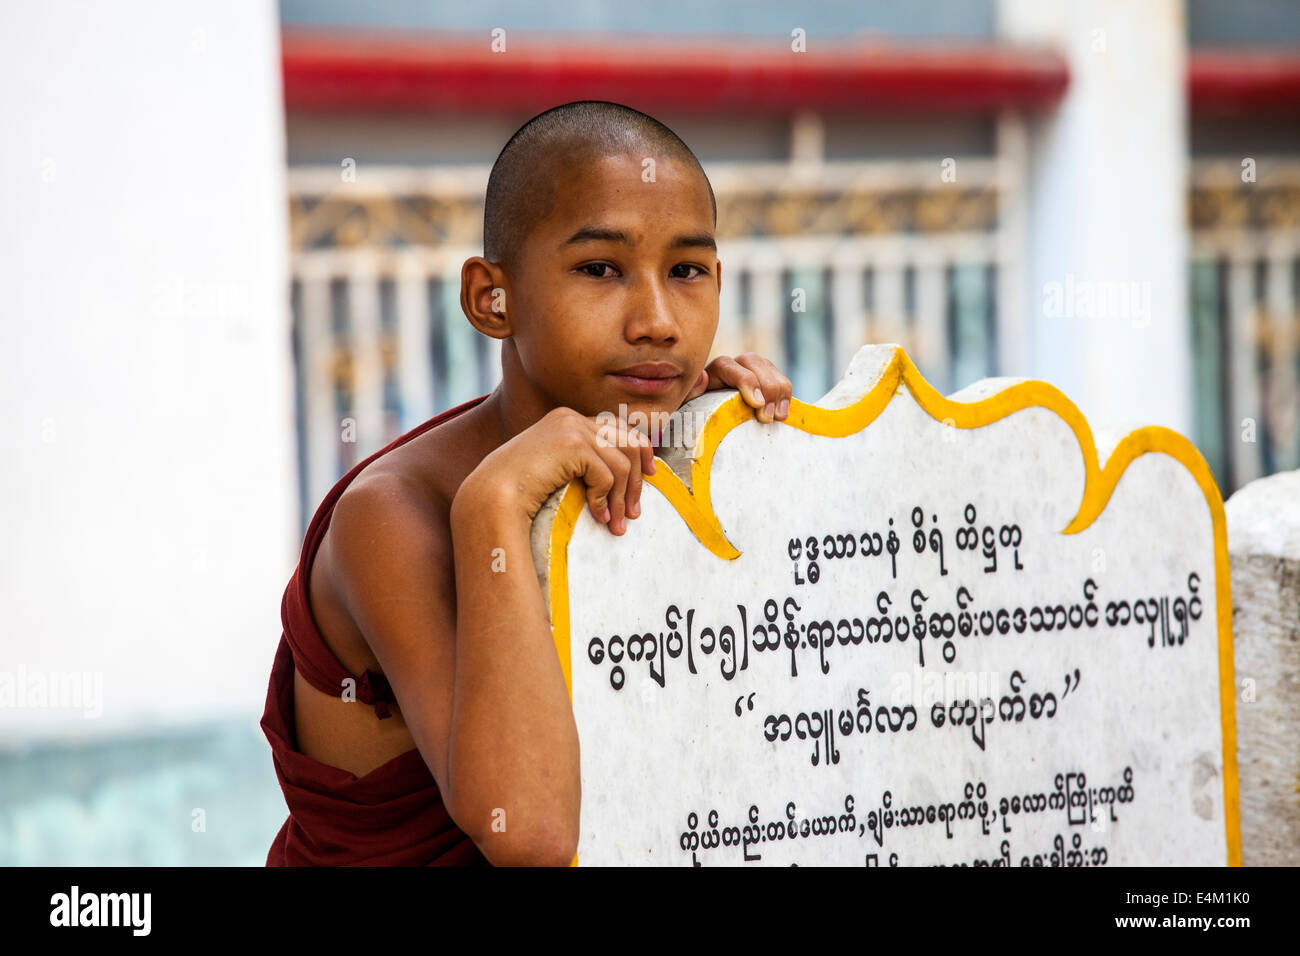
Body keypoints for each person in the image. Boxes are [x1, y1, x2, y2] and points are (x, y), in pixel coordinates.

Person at [261, 100, 794, 866]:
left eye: (686, 271)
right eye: (600, 269)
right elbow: (530, 834)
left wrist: (740, 451)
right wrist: (494, 505)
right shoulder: (391, 518)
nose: (657, 321)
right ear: (492, 298)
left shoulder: (659, 451)